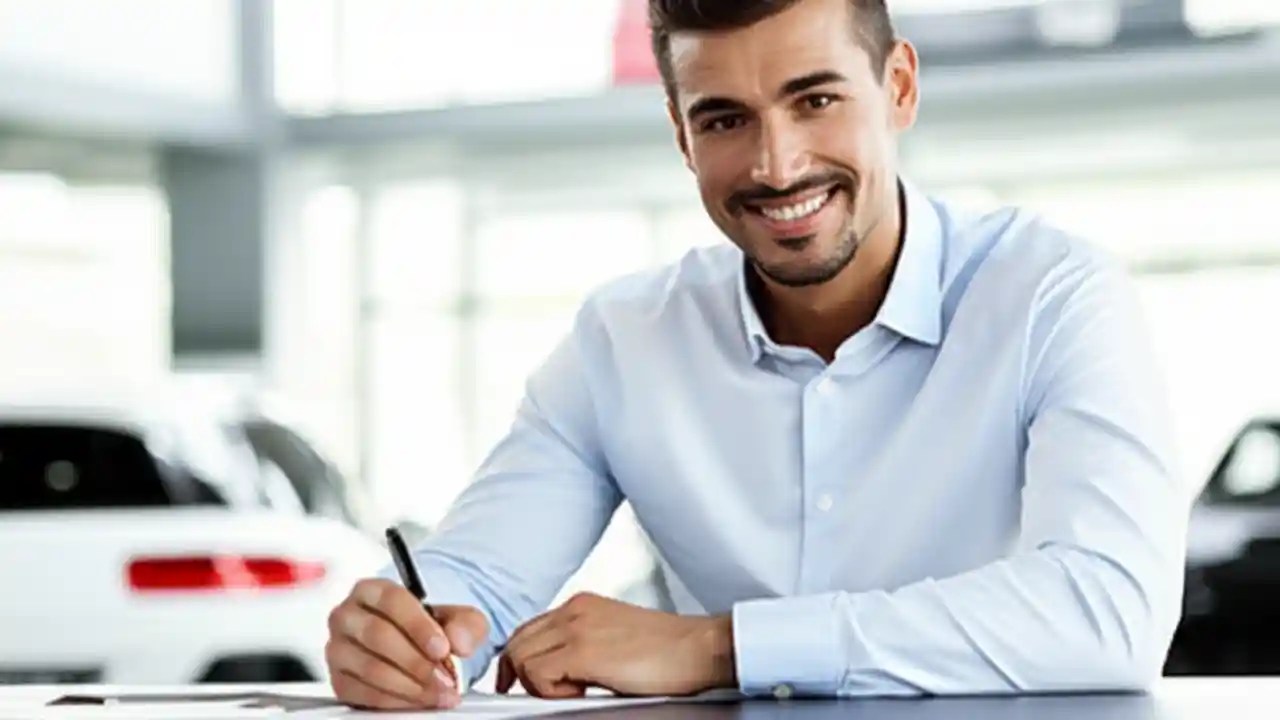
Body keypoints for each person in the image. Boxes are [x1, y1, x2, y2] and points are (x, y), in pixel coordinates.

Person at [324, 0, 1189, 710]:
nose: (777, 165)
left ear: (899, 87)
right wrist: (409, 637)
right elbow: (476, 573)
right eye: (726, 118)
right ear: (680, 132)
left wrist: (720, 646)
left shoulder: (1052, 295)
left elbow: (1111, 609)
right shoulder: (624, 340)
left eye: (815, 100)